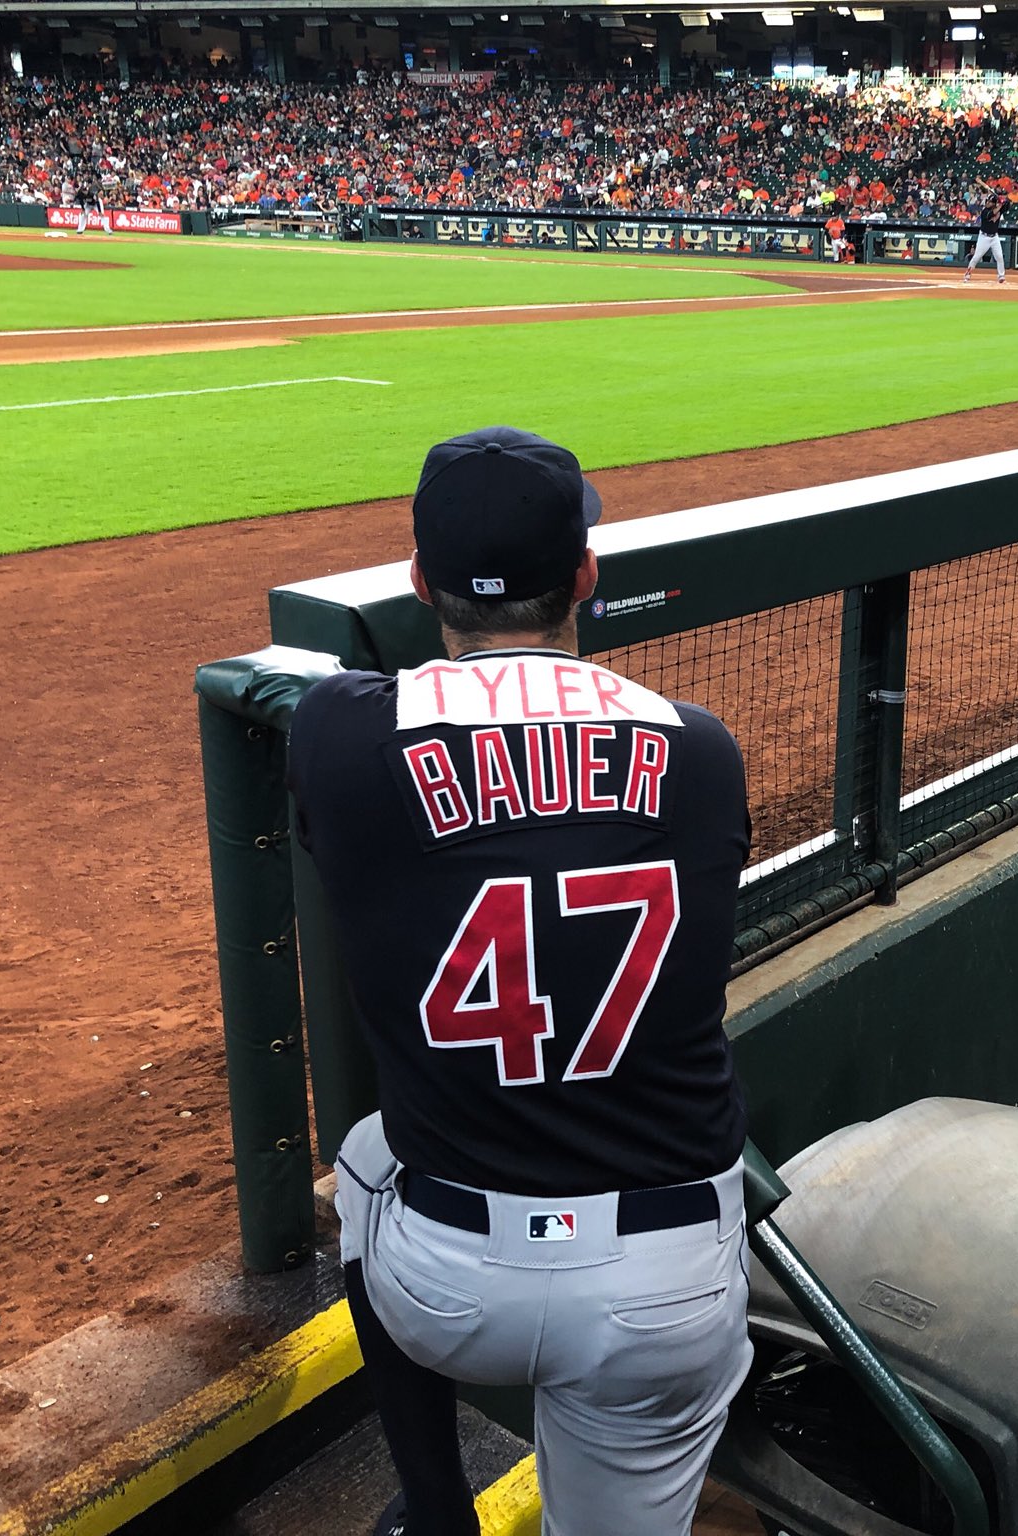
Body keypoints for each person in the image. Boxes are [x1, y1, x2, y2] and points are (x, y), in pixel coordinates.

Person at [286, 427, 754, 1536]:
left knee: (363, 1160)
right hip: (664, 1284)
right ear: (585, 577)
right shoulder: (698, 749)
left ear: (418, 582)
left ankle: (438, 1506)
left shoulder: (341, 736)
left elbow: (352, 705)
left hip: (449, 1282)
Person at [964, 195, 1007, 284]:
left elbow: (1007, 206)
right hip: (984, 237)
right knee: (977, 257)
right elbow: (992, 214)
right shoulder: (985, 211)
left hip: (994, 237)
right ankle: (968, 273)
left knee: (999, 256)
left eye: (990, 202)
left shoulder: (999, 209)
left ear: (994, 203)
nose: (987, 203)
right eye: (987, 201)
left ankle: (1001, 276)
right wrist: (1000, 205)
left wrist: (1004, 201)